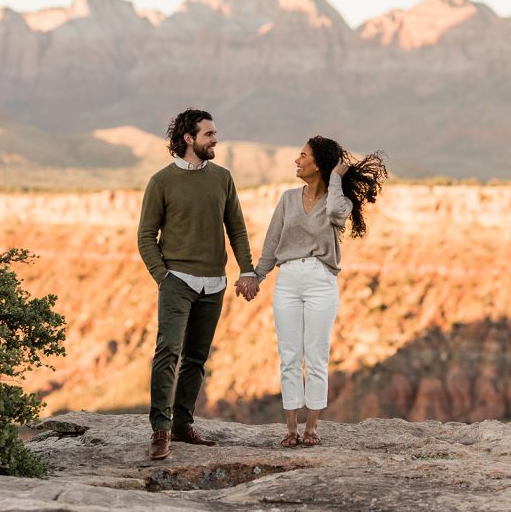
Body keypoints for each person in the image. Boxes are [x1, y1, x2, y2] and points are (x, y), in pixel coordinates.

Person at [237, 136, 387, 447]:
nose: (296, 160)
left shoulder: (339, 200)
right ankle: (291, 428)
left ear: (317, 164)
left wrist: (335, 178)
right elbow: (272, 242)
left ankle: (312, 428)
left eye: (303, 155)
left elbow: (335, 213)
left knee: (316, 355)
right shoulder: (288, 199)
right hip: (288, 280)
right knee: (290, 355)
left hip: (321, 281)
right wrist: (256, 276)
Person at [137, 108, 258, 460]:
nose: (215, 139)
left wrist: (246, 270)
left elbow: (236, 228)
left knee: (196, 358)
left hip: (214, 283)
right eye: (208, 134)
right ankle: (160, 429)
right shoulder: (162, 181)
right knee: (167, 352)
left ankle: (182, 425)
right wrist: (164, 277)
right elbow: (146, 236)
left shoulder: (222, 177)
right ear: (188, 138)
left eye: (215, 133)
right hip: (177, 281)